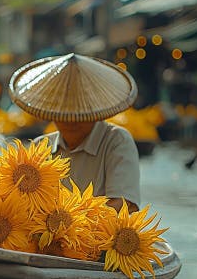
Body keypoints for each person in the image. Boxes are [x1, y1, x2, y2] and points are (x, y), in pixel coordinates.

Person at [9, 53, 140, 212]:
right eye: (64, 114)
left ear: (94, 109)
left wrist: (70, 222)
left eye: (79, 114)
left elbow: (124, 204)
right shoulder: (40, 147)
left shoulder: (116, 140)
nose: (71, 121)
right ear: (52, 112)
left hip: (100, 235)